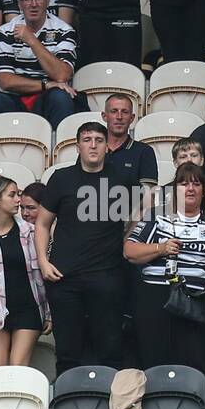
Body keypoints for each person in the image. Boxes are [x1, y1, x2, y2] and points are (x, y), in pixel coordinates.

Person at [35, 121, 136, 374]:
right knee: (67, 351)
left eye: (99, 140)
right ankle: (68, 406)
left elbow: (136, 217)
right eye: (87, 139)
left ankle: (110, 407)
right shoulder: (61, 178)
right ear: (78, 145)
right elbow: (42, 224)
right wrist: (43, 262)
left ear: (106, 146)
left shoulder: (122, 178)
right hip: (64, 277)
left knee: (111, 348)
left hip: (107, 275)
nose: (93, 145)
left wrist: (122, 240)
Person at [125, 162, 205, 376]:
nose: (190, 188)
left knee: (201, 367)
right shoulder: (156, 217)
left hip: (200, 302)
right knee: (156, 365)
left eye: (196, 183)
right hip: (157, 301)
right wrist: (160, 248)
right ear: (174, 190)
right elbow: (129, 251)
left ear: (204, 190)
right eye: (183, 184)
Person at [0, 170, 49, 369]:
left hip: (29, 308)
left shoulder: (30, 231)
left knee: (17, 368)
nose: (18, 200)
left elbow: (43, 275)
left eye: (18, 194)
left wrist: (49, 313)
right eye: (12, 195)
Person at [0, 0, 82, 126]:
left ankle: (60, 148)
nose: (33, 4)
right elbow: (5, 81)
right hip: (15, 98)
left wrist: (32, 40)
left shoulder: (64, 30)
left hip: (48, 98)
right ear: (19, 4)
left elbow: (62, 75)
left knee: (60, 97)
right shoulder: (5, 31)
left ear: (48, 1)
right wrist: (46, 84)